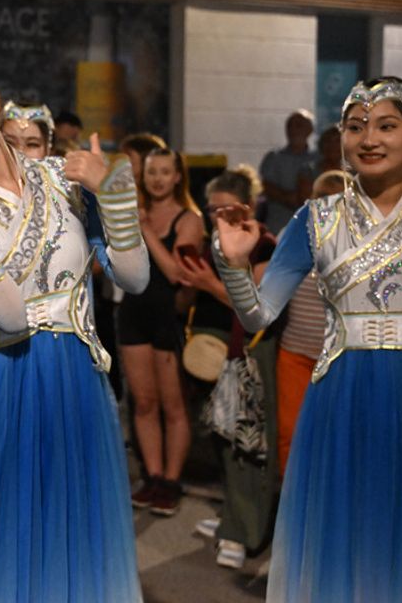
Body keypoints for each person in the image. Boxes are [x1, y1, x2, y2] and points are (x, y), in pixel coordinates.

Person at [0, 54, 147, 602]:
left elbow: (132, 278)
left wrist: (112, 191)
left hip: (75, 381)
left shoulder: (69, 180)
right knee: (4, 545)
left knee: (72, 538)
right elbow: (10, 316)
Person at [214, 77, 402, 603]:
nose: (370, 139)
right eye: (356, 127)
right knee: (344, 533)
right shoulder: (316, 218)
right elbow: (259, 313)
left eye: (387, 125)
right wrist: (234, 263)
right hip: (341, 396)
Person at [178, 166, 278, 570]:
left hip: (250, 353)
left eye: (225, 209)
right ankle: (231, 520)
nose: (217, 218)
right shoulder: (211, 242)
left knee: (247, 446)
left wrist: (207, 284)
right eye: (211, 210)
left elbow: (257, 305)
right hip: (214, 350)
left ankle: (243, 532)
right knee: (223, 440)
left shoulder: (266, 245)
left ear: (248, 207)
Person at [120, 147, 203, 516]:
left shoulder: (189, 219)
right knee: (144, 402)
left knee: (173, 405)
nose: (156, 179)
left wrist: (146, 230)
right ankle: (152, 476)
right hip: (133, 312)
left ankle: (171, 480)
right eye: (151, 172)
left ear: (177, 177)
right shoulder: (134, 213)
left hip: (166, 316)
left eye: (164, 172)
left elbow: (177, 273)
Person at [273, 169, 343, 479]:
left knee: (337, 437)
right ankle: (293, 504)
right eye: (321, 199)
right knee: (291, 434)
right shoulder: (294, 238)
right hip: (295, 354)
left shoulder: (365, 247)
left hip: (341, 360)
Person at [260, 110, 317, 234]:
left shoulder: (317, 159)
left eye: (299, 125)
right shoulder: (274, 157)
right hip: (278, 224)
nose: (293, 130)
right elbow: (266, 186)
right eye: (290, 126)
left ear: (310, 130)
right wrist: (290, 198)